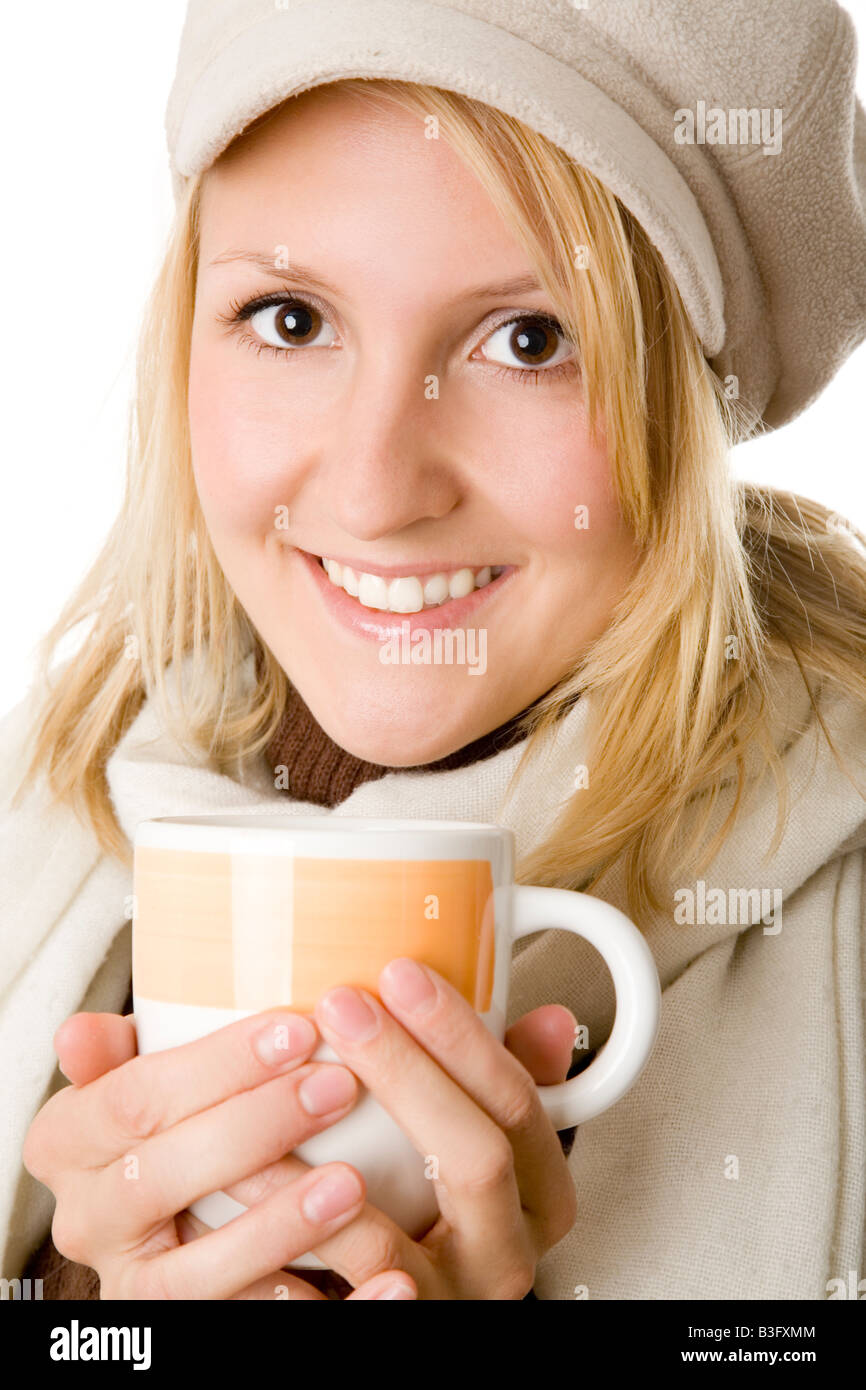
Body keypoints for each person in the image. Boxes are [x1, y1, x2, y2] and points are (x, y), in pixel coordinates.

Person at [3, 0, 866, 1300]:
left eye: (529, 339)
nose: (371, 492)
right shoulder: (48, 805)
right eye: (290, 318)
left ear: (685, 415)